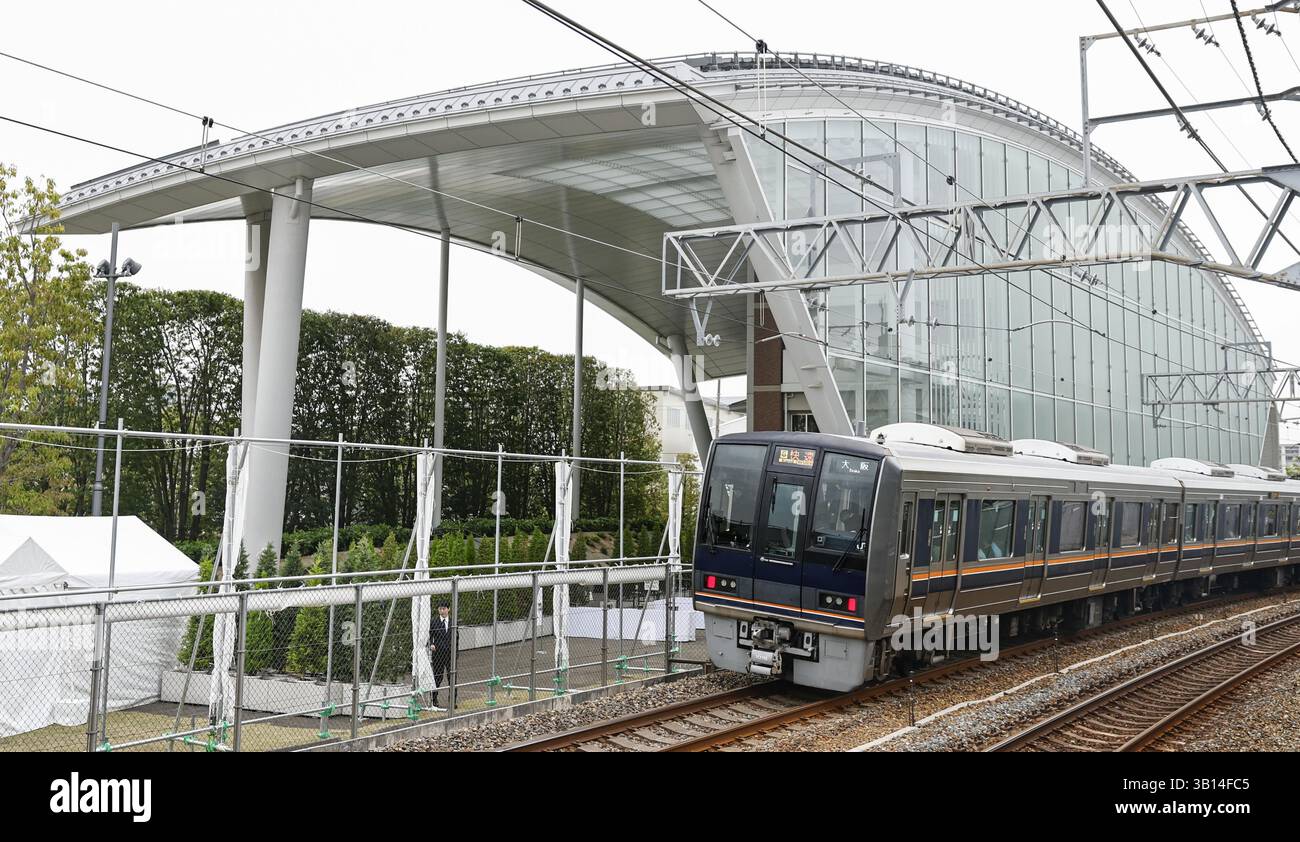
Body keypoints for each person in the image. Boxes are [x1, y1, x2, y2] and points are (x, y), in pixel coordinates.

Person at [429, 603, 453, 711]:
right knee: (437, 677)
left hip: (450, 654)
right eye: (440, 609)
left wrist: (455, 654)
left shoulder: (453, 622)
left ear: (448, 609)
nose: (442, 611)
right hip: (438, 654)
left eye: (443, 609)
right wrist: (431, 644)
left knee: (452, 677)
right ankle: (434, 699)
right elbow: (429, 635)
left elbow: (456, 638)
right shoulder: (434, 622)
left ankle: (453, 700)